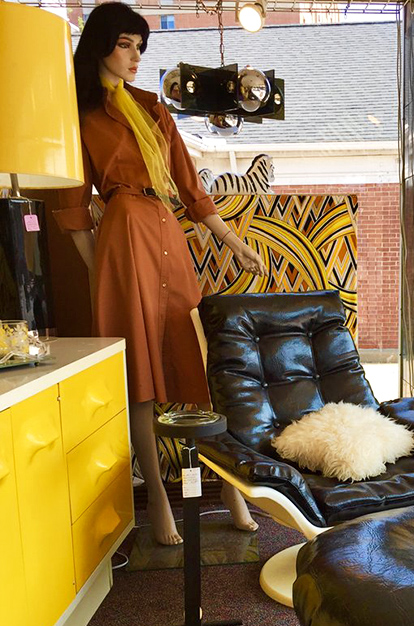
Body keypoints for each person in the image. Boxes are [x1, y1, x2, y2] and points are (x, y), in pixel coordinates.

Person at [54, 2, 264, 545]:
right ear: (100, 44)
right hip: (123, 237)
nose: (136, 56)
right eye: (126, 44)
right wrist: (103, 274)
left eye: (141, 46)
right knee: (141, 378)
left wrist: (234, 242)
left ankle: (227, 484)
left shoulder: (153, 108)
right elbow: (75, 207)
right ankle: (159, 499)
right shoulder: (79, 114)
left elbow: (191, 189)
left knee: (194, 362)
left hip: (166, 230)